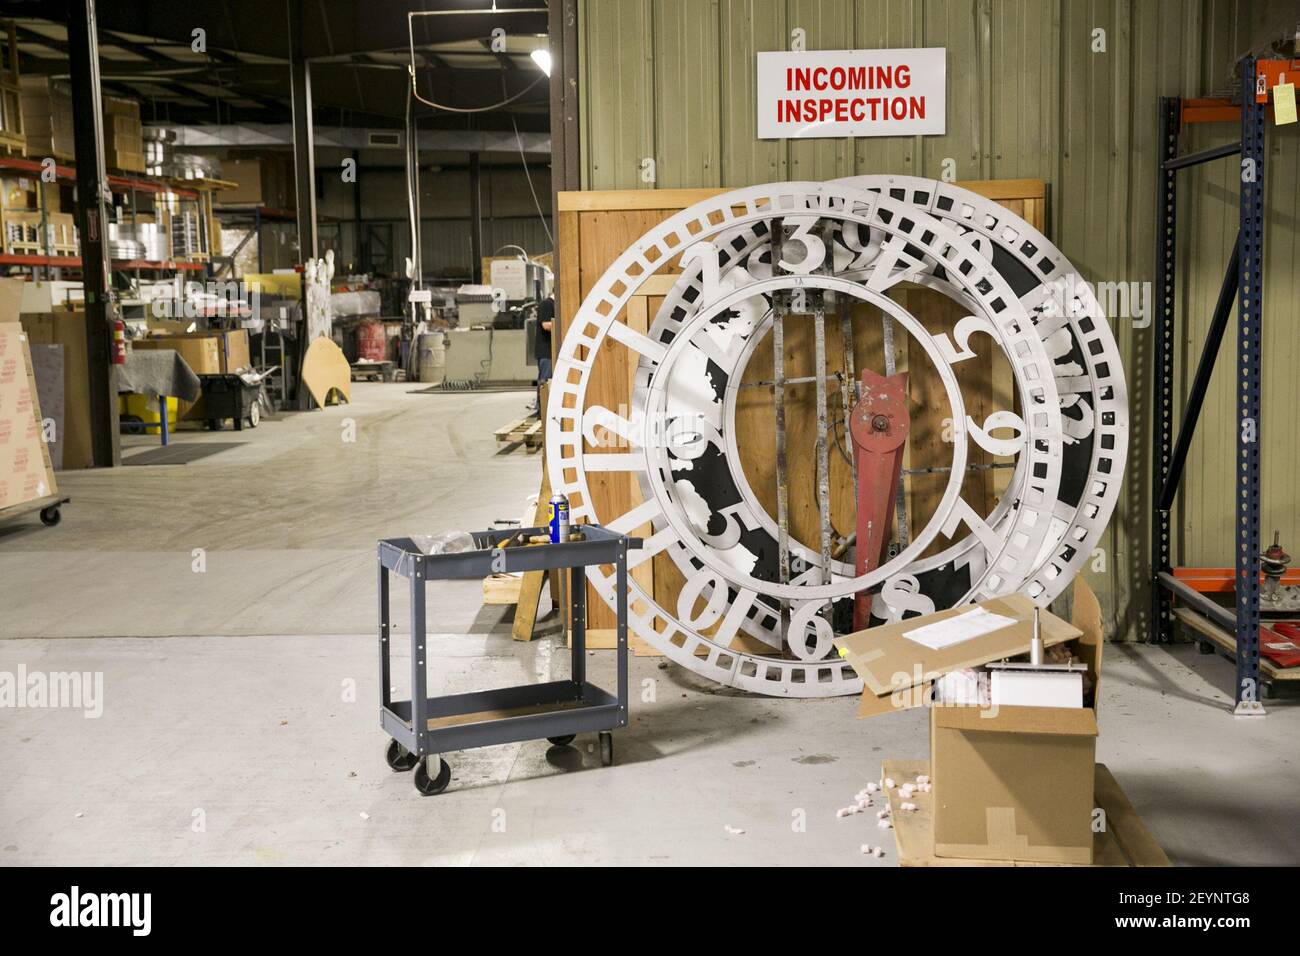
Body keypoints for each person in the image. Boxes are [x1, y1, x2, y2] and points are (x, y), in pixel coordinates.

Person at [531, 295, 554, 414]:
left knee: (546, 381)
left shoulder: (554, 305)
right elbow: (546, 325)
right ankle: (542, 411)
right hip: (546, 352)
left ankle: (544, 410)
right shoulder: (546, 304)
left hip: (552, 351)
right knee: (545, 381)